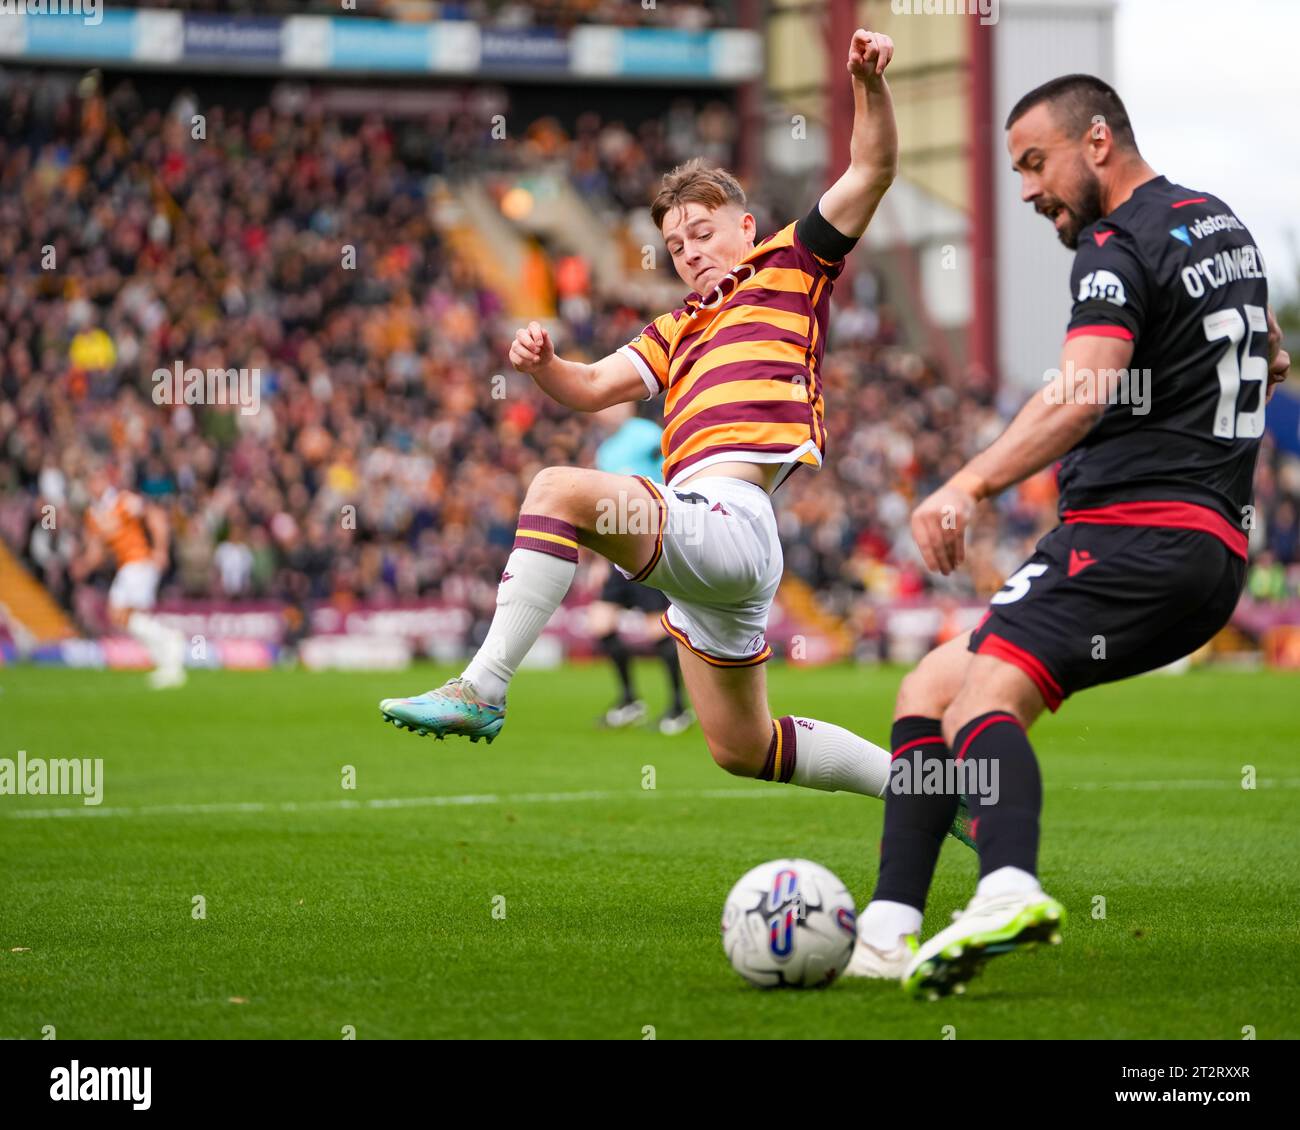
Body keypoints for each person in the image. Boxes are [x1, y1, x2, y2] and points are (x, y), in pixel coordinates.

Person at [378, 30, 974, 847]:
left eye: (704, 231)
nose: (689, 250)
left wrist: (869, 84)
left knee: (555, 490)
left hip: (728, 521)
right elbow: (590, 389)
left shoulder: (791, 264)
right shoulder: (676, 329)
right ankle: (925, 790)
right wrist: (548, 364)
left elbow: (870, 171)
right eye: (676, 242)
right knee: (744, 747)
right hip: (709, 559)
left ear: (748, 225)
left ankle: (484, 685)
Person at [853, 74, 1292, 998]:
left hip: (1135, 534)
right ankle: (888, 928)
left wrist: (968, 482)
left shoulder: (1111, 244)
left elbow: (1086, 389)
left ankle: (1007, 886)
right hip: (1205, 550)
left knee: (979, 706)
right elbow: (1273, 352)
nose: (1026, 190)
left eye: (1034, 163)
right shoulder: (1220, 224)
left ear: (1097, 142)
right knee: (930, 684)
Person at [586, 402, 694, 735]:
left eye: (611, 406)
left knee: (656, 629)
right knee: (600, 623)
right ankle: (630, 700)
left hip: (649, 544)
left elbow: (672, 478)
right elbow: (604, 507)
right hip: (618, 548)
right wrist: (599, 558)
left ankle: (679, 707)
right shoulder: (605, 450)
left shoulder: (648, 436)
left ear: (628, 406)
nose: (603, 412)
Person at [74, 465, 188, 689]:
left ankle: (170, 642)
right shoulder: (93, 514)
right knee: (125, 617)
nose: (94, 485)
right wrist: (84, 565)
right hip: (126, 566)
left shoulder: (123, 501)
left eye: (98, 480)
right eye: (91, 481)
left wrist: (160, 549)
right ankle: (167, 662)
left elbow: (156, 516)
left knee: (118, 613)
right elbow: (97, 551)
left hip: (139, 562)